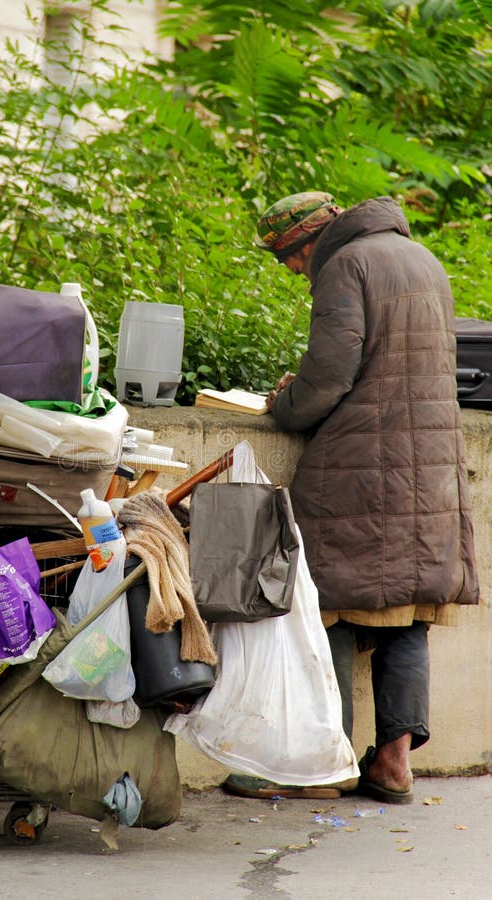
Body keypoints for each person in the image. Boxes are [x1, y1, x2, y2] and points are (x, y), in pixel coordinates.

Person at [232, 191, 479, 804]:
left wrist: (282, 404)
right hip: (432, 464)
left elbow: (333, 373)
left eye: (286, 258)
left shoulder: (346, 265)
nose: (291, 271)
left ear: (306, 242)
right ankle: (394, 765)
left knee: (331, 601)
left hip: (361, 464)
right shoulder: (422, 258)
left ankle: (327, 763)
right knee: (408, 610)